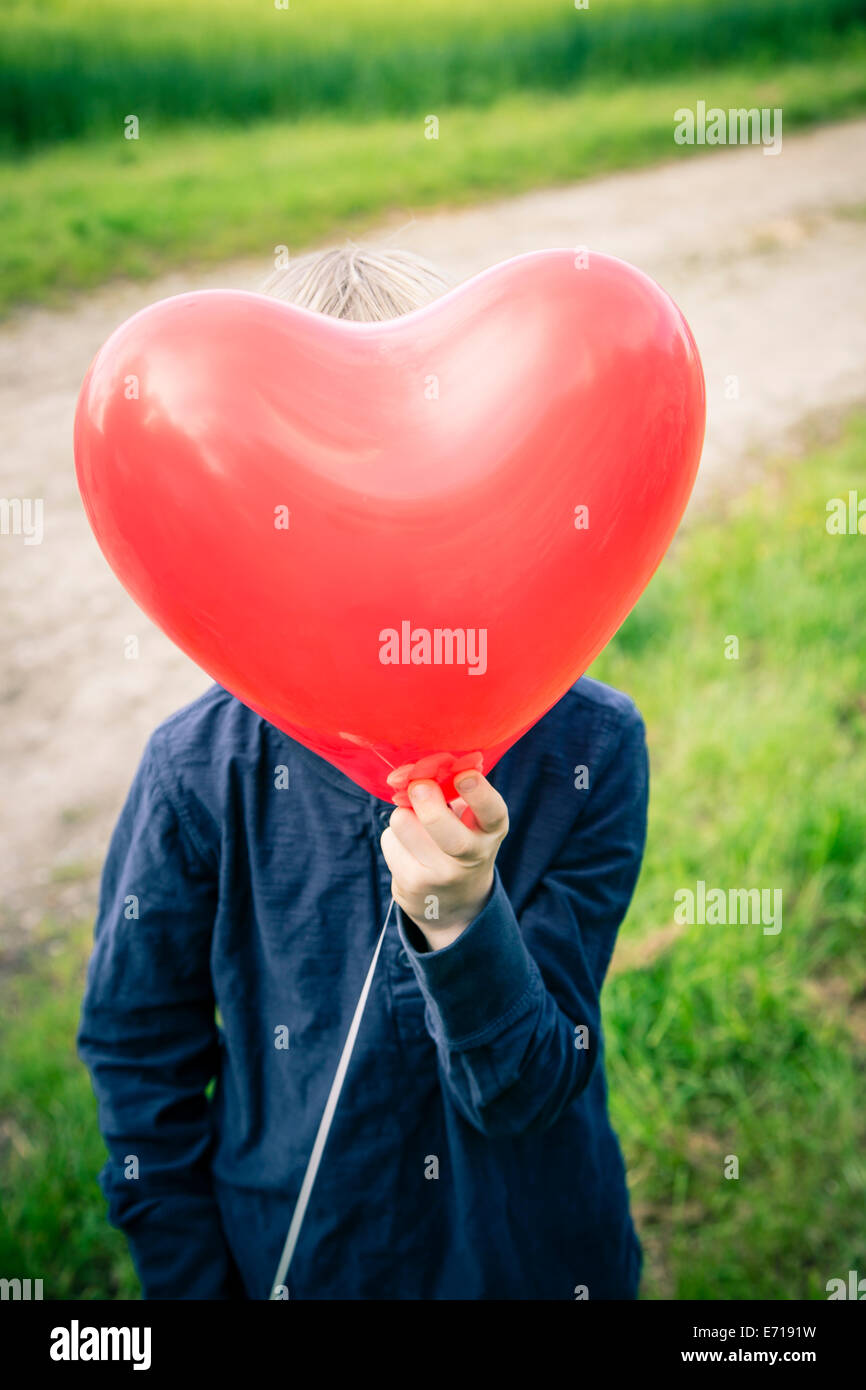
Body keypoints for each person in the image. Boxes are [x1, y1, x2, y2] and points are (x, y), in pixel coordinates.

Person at [78, 243, 649, 1300]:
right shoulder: (197, 774)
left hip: (530, 1264)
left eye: (430, 505)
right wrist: (191, 1282)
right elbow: (136, 1053)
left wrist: (463, 919)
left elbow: (529, 1085)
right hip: (302, 1257)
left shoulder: (591, 750)